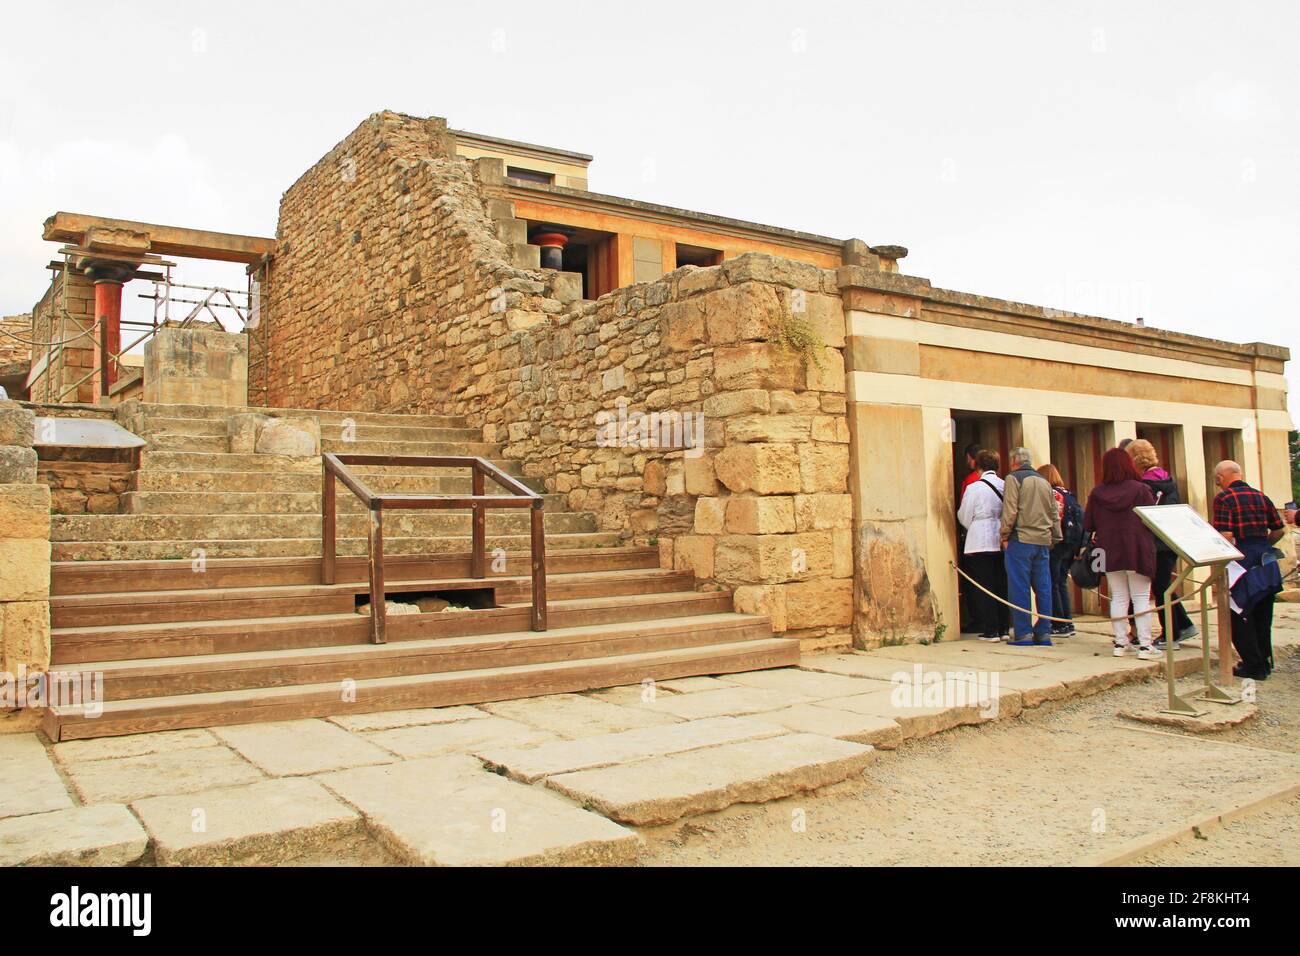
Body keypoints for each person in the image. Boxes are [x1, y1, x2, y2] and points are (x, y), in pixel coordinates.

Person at [1212, 460, 1286, 679]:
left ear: (1220, 478)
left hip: (1242, 560)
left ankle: (1253, 665)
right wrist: (1265, 543)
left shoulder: (1224, 498)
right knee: (1264, 615)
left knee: (1238, 614)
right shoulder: (1261, 496)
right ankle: (1264, 661)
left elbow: (1225, 535)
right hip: (1266, 559)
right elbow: (1279, 529)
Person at [1085, 448, 1158, 659]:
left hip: (1108, 548)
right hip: (1137, 547)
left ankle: (1120, 643)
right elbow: (1152, 520)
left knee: (1118, 597)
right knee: (1141, 598)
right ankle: (1145, 645)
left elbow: (1088, 523)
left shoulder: (1097, 493)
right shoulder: (1141, 489)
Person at [1126, 439, 1197, 649]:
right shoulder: (1168, 480)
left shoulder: (1146, 485)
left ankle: (1170, 634)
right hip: (1170, 539)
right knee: (1165, 586)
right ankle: (1183, 625)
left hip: (1154, 542)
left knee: (1161, 589)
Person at [999, 447, 1062, 646]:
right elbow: (1054, 512)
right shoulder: (1044, 481)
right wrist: (1056, 537)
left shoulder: (1014, 479)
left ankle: (1023, 633)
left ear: (1013, 462)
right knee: (1043, 587)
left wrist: (1004, 535)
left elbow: (1010, 510)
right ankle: (1044, 633)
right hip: (1042, 541)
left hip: (1021, 539)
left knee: (1020, 587)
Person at [958, 449, 1010, 641]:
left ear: (978, 466)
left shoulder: (974, 488)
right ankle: (1004, 627)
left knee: (984, 586)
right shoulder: (1004, 485)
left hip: (979, 540)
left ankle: (991, 628)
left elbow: (964, 515)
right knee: (1000, 584)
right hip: (1000, 537)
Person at [1037, 463, 1081, 636]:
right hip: (1071, 544)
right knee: (1061, 582)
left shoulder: (1052, 494)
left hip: (1057, 543)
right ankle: (1067, 622)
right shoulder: (1068, 493)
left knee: (1052, 583)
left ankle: (1058, 622)